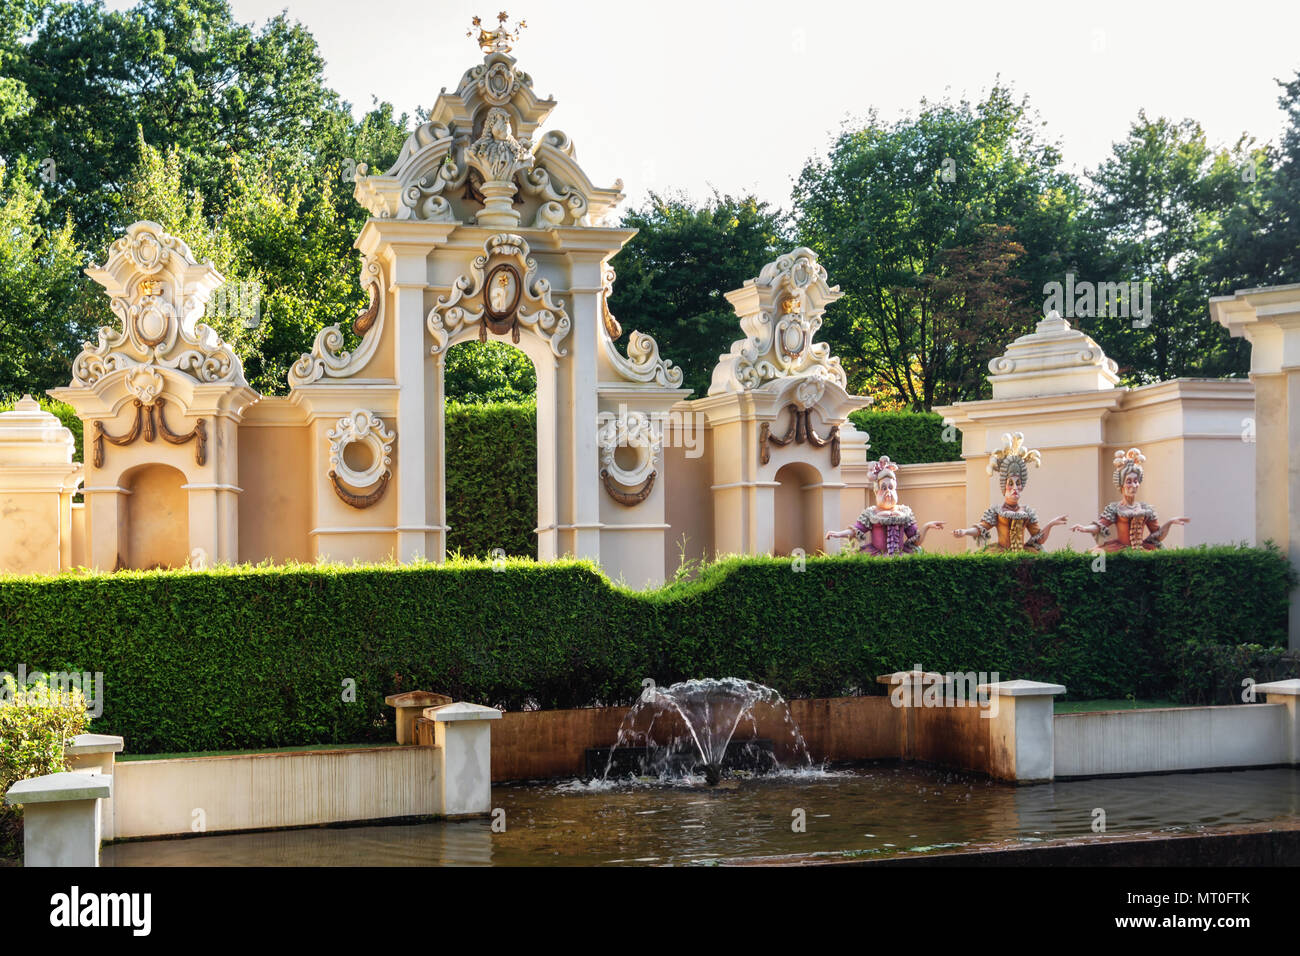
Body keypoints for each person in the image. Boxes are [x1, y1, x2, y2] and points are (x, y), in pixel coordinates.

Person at [952, 432, 1067, 553]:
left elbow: (1039, 539)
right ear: (1004, 487)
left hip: (1023, 556)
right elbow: (981, 528)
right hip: (1000, 555)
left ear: (1022, 486)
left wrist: (1051, 524)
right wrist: (965, 532)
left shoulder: (1027, 512)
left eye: (1018, 483)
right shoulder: (996, 511)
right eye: (1010, 484)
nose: (1015, 488)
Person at [1070, 448, 1189, 551]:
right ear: (1121, 485)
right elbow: (1100, 526)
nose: (1133, 485)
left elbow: (1157, 535)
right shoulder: (1115, 508)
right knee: (1098, 558)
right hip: (1119, 549)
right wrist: (1085, 528)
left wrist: (1170, 522)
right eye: (1129, 481)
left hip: (1143, 549)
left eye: (1136, 481)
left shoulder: (1146, 509)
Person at [826, 455, 944, 556]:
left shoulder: (905, 511)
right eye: (884, 488)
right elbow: (856, 530)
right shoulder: (871, 513)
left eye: (891, 488)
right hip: (876, 556)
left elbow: (916, 540)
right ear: (877, 491)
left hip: (901, 555)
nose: (888, 492)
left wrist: (927, 526)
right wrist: (838, 534)